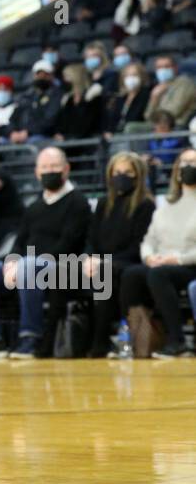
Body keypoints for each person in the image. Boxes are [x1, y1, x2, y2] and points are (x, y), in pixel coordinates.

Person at [0, 147, 90, 360]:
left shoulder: (78, 202)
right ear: (37, 172)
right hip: (26, 266)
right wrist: (11, 262)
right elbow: (19, 242)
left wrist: (24, 264)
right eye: (44, 167)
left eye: (54, 167)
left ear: (66, 169)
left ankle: (31, 337)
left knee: (29, 265)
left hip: (62, 268)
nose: (49, 171)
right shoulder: (34, 207)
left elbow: (69, 244)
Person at [120, 148, 196, 358]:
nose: (188, 167)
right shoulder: (165, 206)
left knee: (158, 275)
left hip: (189, 265)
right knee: (132, 274)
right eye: (184, 163)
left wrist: (178, 259)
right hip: (161, 264)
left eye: (193, 162)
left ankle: (177, 340)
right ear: (176, 170)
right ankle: (137, 337)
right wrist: (149, 256)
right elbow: (148, 240)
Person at [85, 152, 154, 357]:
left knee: (105, 273)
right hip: (100, 262)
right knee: (62, 271)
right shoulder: (103, 203)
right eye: (117, 172)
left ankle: (101, 341)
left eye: (127, 172)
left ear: (138, 175)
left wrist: (102, 261)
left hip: (127, 262)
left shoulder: (145, 205)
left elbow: (139, 245)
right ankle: (59, 339)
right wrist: (88, 257)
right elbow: (91, 238)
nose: (121, 177)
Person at [7, 60, 62, 144]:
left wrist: (28, 132)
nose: (41, 77)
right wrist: (13, 132)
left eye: (45, 75)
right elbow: (13, 117)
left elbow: (49, 121)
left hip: (42, 135)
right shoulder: (27, 96)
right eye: (38, 74)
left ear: (51, 76)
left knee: (34, 142)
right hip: (21, 135)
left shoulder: (56, 95)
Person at [54, 63, 104, 143]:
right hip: (68, 140)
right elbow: (62, 121)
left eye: (67, 77)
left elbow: (90, 121)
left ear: (76, 78)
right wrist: (59, 133)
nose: (64, 80)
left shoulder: (93, 96)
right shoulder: (68, 99)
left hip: (88, 140)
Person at [146, 56, 196, 127]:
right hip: (157, 124)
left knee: (132, 128)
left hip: (176, 125)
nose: (163, 70)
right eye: (159, 67)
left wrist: (154, 116)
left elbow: (173, 112)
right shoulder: (158, 87)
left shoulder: (184, 83)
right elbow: (147, 116)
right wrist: (154, 98)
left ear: (175, 68)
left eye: (166, 67)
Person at [104, 60, 151, 135]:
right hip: (118, 135)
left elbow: (137, 117)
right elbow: (114, 119)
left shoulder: (146, 94)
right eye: (127, 76)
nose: (131, 78)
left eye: (134, 75)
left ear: (142, 77)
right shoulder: (121, 98)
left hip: (137, 134)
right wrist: (109, 131)